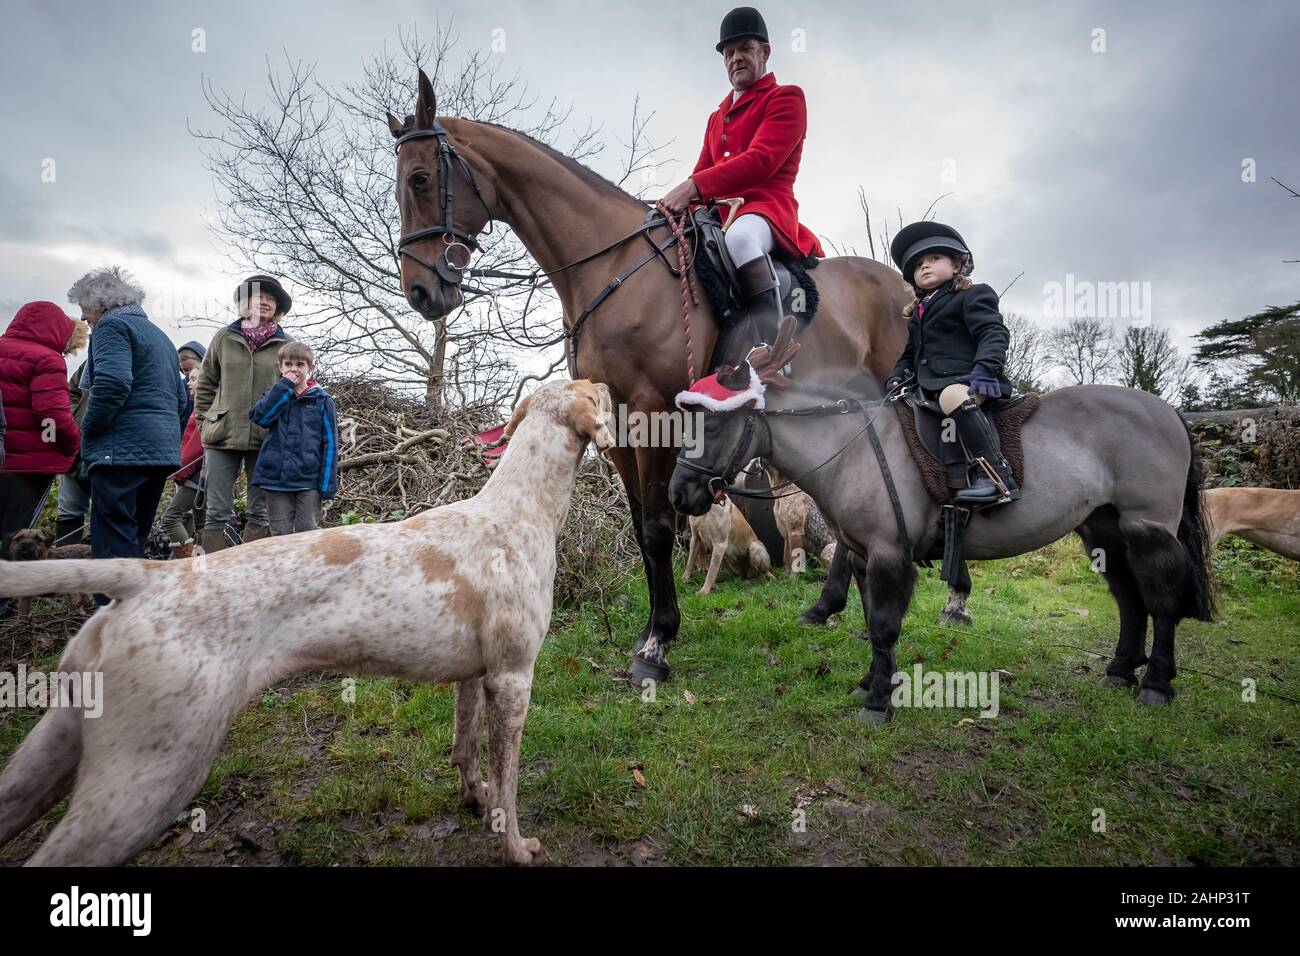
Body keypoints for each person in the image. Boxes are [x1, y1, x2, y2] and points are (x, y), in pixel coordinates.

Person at [660, 6, 824, 367]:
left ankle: (772, 347)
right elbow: (702, 170)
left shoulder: (786, 98)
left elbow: (762, 159)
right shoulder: (716, 117)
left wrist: (693, 187)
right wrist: (678, 208)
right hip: (719, 216)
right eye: (729, 52)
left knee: (741, 240)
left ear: (764, 52)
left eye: (745, 49)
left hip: (765, 207)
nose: (736, 58)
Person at [69, 267, 188, 597]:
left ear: (102, 304)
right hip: (159, 452)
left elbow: (112, 383)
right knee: (132, 534)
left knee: (113, 540)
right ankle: (139, 614)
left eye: (85, 307)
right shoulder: (160, 336)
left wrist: (89, 430)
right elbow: (181, 401)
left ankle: (116, 618)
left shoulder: (112, 326)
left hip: (118, 450)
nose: (83, 316)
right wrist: (164, 438)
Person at [885, 221, 1019, 507]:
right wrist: (896, 377)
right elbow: (910, 355)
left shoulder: (972, 294)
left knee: (952, 396)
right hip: (927, 388)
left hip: (972, 381)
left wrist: (985, 368)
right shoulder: (919, 314)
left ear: (957, 265)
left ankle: (996, 477)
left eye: (934, 259)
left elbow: (993, 333)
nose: (925, 266)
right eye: (919, 263)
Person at [194, 274, 295, 552]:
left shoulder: (288, 344)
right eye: (257, 296)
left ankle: (250, 573)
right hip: (221, 435)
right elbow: (205, 385)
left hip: (267, 438)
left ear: (278, 307)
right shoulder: (223, 338)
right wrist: (205, 423)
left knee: (260, 511)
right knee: (216, 511)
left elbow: (297, 393)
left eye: (270, 298)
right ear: (243, 303)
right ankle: (214, 574)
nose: (264, 302)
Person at [0, 301, 88, 617]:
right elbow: (49, 417)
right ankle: (6, 603)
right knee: (15, 532)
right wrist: (71, 446)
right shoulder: (47, 359)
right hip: (28, 464)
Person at [248, 341, 338, 535]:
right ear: (280, 367)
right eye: (288, 364)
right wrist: (284, 387)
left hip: (309, 481)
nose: (294, 369)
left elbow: (330, 444)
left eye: (300, 365)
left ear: (311, 368)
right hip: (275, 481)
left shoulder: (322, 400)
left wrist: (327, 484)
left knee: (308, 531)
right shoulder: (274, 395)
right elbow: (261, 418)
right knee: (280, 533)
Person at [160, 367, 206, 548]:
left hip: (195, 477)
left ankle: (188, 563)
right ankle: (201, 565)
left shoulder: (202, 409)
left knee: (170, 518)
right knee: (202, 523)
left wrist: (178, 474)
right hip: (201, 477)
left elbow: (194, 449)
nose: (189, 382)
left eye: (194, 379)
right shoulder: (200, 407)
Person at [54, 356, 93, 545]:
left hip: (108, 451)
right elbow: (72, 392)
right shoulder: (89, 362)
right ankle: (64, 562)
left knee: (107, 513)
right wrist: (75, 418)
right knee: (68, 510)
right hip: (75, 449)